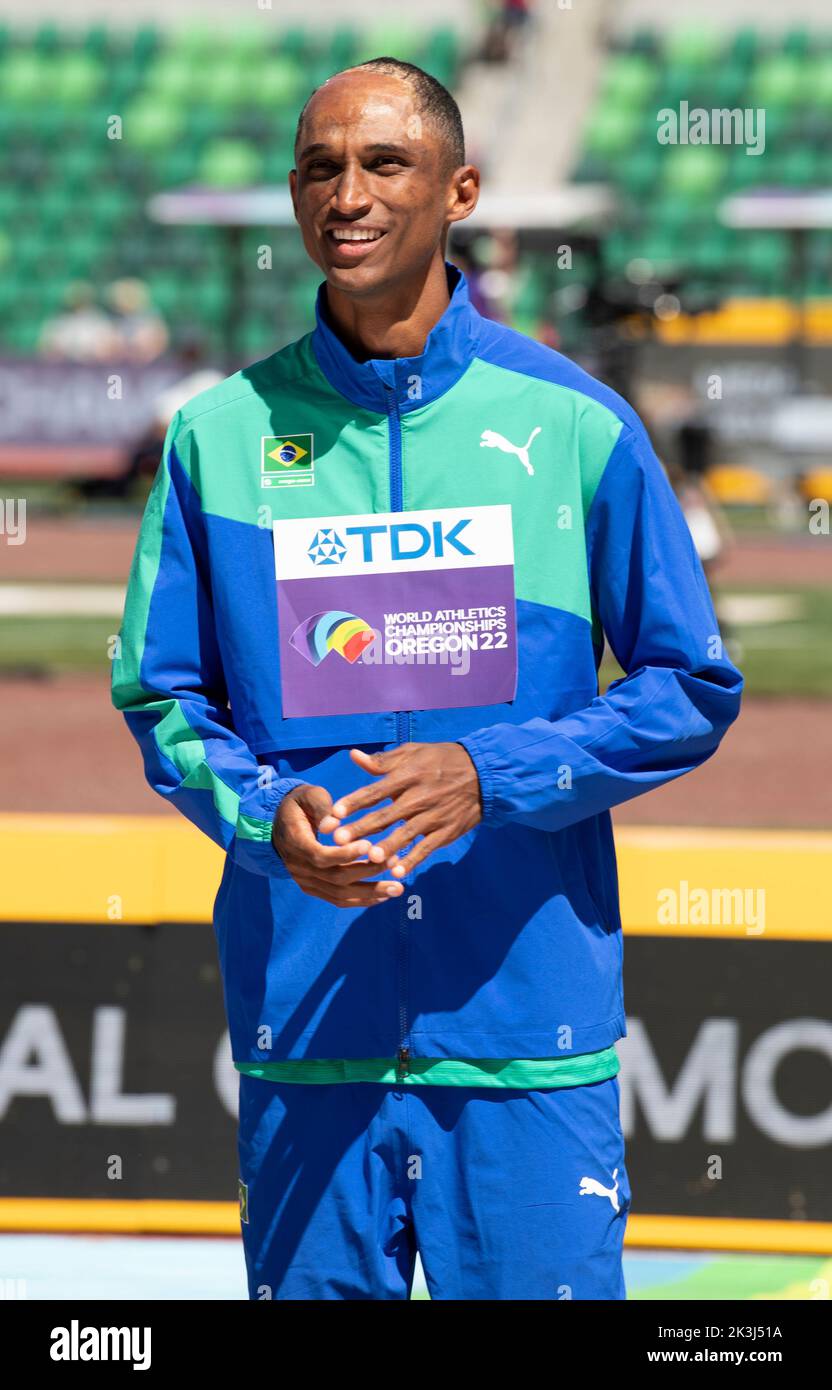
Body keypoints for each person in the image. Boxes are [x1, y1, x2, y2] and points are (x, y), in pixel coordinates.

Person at [112, 57, 742, 1301]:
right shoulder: (217, 437)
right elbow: (162, 698)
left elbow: (689, 684)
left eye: (383, 164)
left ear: (458, 189)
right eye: (319, 167)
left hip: (525, 1042)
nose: (346, 194)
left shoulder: (576, 425)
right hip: (307, 1031)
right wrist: (259, 816)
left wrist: (486, 775)